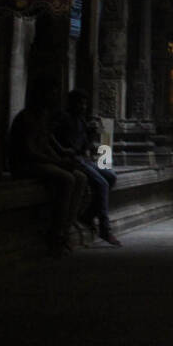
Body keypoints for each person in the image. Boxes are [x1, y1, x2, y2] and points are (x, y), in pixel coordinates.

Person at [8, 80, 87, 256]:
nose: (53, 98)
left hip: (43, 161)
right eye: (50, 94)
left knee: (81, 177)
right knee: (67, 179)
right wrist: (58, 162)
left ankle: (66, 228)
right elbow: (29, 151)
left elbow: (48, 144)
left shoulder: (44, 116)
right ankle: (56, 233)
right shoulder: (26, 118)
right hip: (26, 163)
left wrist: (61, 158)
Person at [52, 89, 121, 246]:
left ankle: (89, 214)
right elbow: (66, 145)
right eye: (79, 103)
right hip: (72, 160)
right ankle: (105, 228)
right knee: (102, 183)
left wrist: (90, 135)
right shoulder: (64, 119)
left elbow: (85, 148)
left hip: (83, 159)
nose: (82, 107)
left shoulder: (81, 121)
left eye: (84, 104)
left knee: (111, 177)